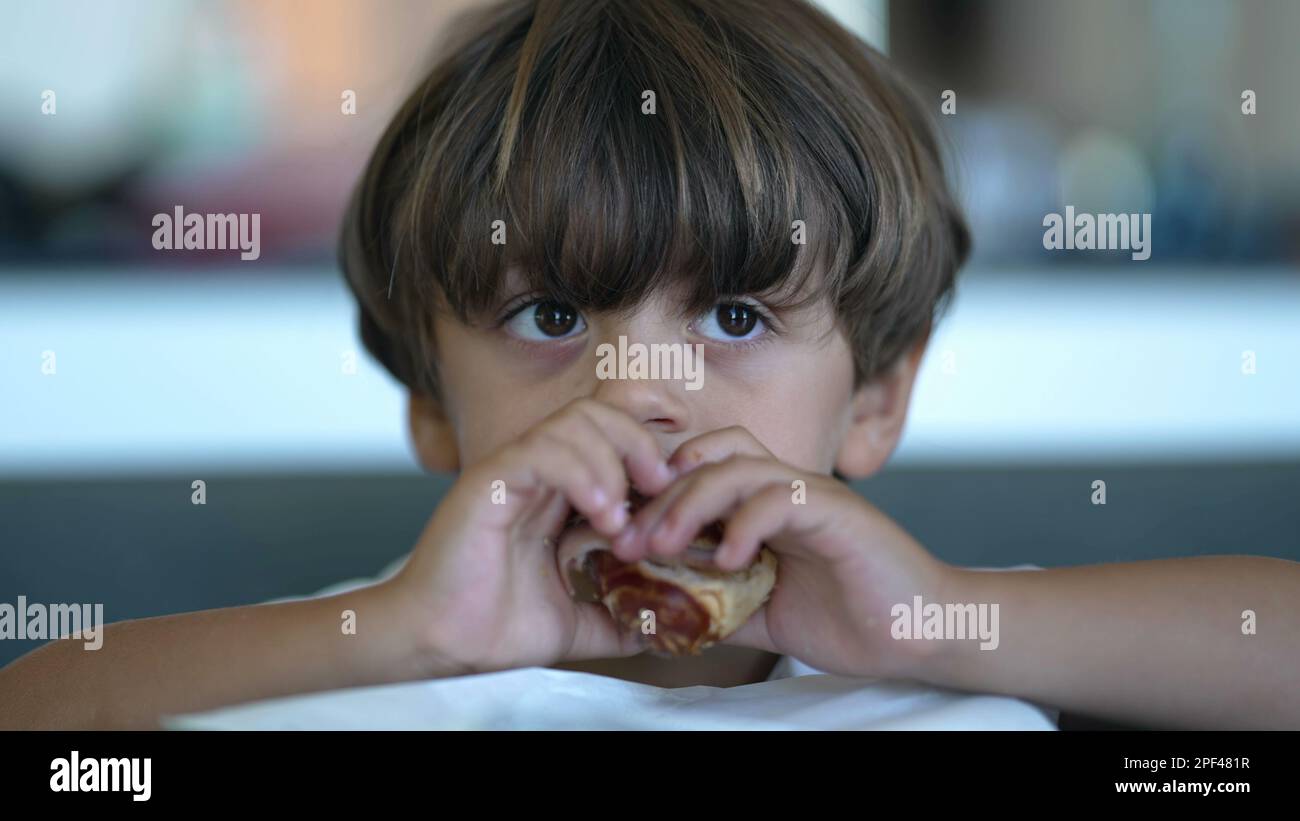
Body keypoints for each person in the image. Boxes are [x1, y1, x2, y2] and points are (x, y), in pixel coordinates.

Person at [3, 0, 1296, 730]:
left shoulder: (943, 643)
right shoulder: (369, 661)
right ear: (428, 404)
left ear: (877, 398)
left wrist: (938, 619)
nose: (638, 393)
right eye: (552, 312)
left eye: (737, 317)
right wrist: (407, 630)